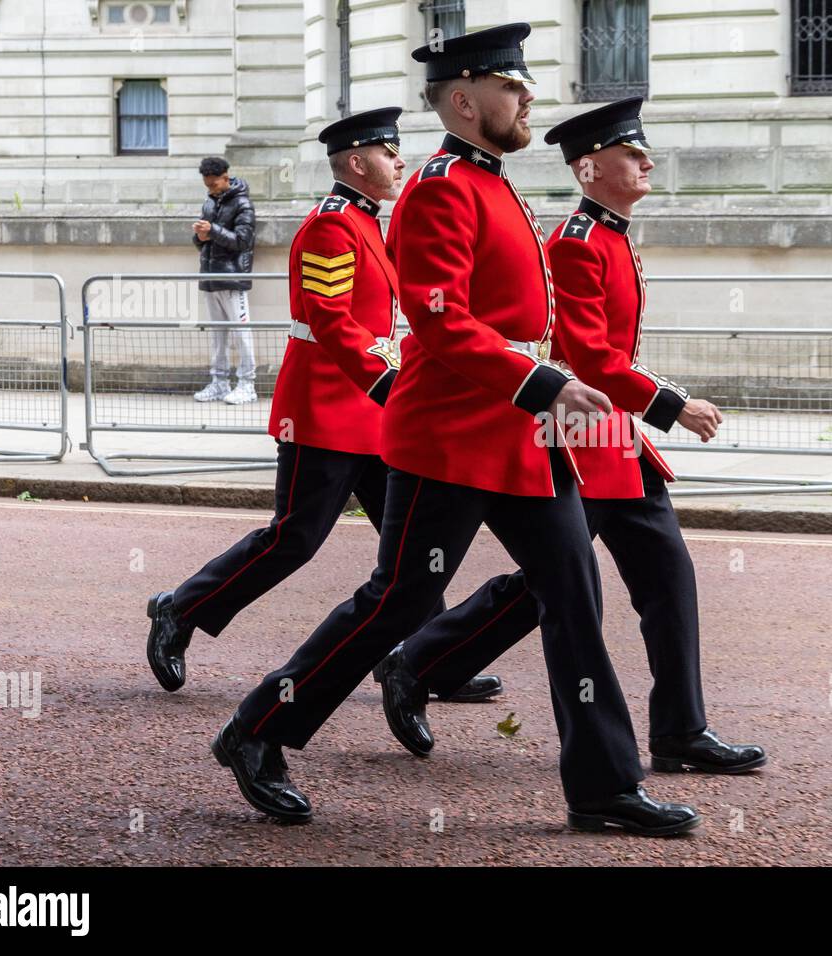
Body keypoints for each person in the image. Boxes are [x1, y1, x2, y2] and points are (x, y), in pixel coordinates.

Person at [210, 24, 700, 836]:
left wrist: (546, 389)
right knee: (396, 602)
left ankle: (604, 783)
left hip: (514, 439)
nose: (529, 96)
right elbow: (440, 323)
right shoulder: (441, 187)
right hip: (448, 437)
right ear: (467, 100)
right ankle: (258, 727)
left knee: (573, 599)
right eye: (513, 87)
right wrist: (544, 381)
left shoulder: (490, 182)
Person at [372, 97, 767, 778]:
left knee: (664, 579)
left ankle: (679, 729)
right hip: (581, 440)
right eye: (631, 153)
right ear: (590, 169)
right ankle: (417, 660)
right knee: (550, 586)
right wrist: (671, 404)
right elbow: (591, 360)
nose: (647, 161)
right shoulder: (577, 243)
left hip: (614, 441)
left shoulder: (609, 236)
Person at [146, 110, 500, 706]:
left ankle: (429, 660)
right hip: (329, 409)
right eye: (390, 154)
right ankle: (181, 609)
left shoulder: (369, 224)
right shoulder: (332, 227)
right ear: (358, 162)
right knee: (296, 538)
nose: (400, 163)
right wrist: (389, 382)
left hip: (377, 413)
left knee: (411, 550)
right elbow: (332, 322)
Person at [193, 157, 258, 405]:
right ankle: (219, 383)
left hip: (233, 278)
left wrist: (211, 231)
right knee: (218, 335)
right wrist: (200, 236)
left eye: (213, 184)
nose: (210, 189)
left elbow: (243, 240)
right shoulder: (209, 202)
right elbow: (203, 242)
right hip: (211, 275)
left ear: (225, 176)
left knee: (242, 333)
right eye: (207, 185)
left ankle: (247, 384)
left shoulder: (243, 204)